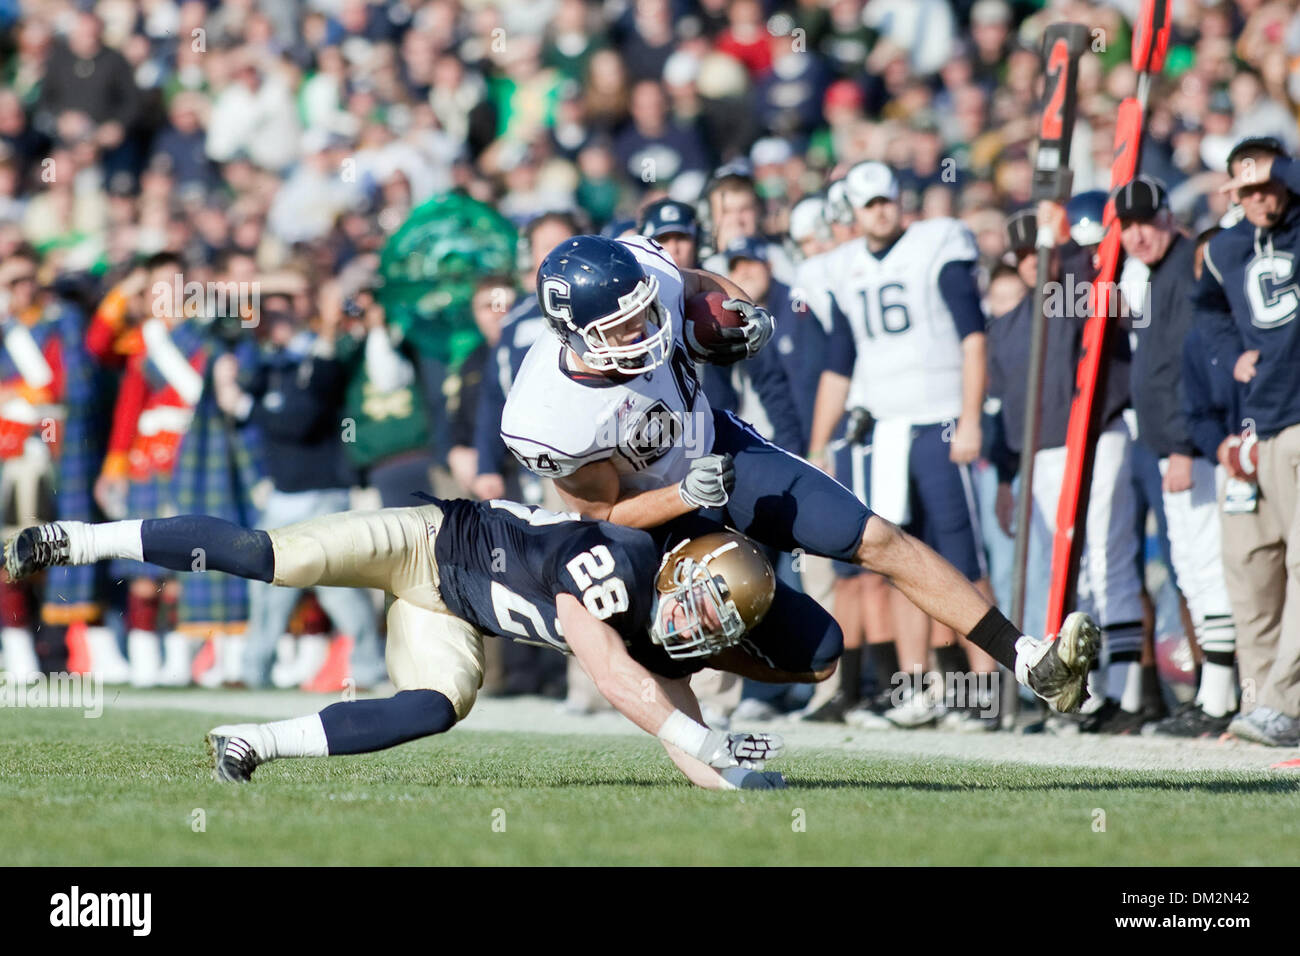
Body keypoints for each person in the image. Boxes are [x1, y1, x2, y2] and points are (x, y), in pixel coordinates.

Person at [499, 231, 1101, 718]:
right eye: (624, 329)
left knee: (878, 537)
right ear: (574, 333)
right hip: (655, 512)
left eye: (645, 314)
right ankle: (666, 647)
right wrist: (683, 494)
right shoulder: (551, 416)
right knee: (818, 656)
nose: (649, 331)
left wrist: (741, 310)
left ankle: (1032, 663)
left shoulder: (639, 269)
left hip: (720, 446)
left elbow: (697, 285)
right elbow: (601, 514)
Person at [5, 500, 787, 791]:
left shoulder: (659, 627)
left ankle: (250, 741)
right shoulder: (618, 563)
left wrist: (737, 780)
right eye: (704, 606)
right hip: (426, 541)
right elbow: (616, 677)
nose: (700, 629)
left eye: (720, 622)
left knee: (438, 705)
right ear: (684, 572)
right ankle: (75, 538)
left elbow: (671, 720)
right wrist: (705, 739)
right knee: (274, 556)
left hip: (449, 609)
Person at [805, 161, 998, 730]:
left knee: (964, 559)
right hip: (885, 432)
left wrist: (969, 419)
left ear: (899, 201)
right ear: (855, 212)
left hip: (938, 421)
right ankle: (918, 687)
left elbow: (973, 338)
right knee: (899, 563)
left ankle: (986, 688)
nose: (881, 211)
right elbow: (839, 365)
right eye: (869, 205)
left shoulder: (935, 244)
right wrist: (819, 444)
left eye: (887, 200)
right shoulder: (843, 269)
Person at [1115, 177, 1239, 736]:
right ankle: (1213, 697)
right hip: (1170, 444)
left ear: (1169, 217)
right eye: (1129, 225)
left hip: (1195, 446)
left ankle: (1220, 701)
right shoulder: (1155, 272)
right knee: (1189, 570)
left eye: (1147, 221)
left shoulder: (1189, 263)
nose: (1138, 234)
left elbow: (1193, 368)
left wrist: (1186, 446)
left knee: (1208, 568)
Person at [1192, 136, 1300, 745]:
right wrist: (1230, 355)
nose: (1262, 200)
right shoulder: (1225, 248)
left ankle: (1284, 704)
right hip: (1259, 426)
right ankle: (1263, 708)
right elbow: (1204, 312)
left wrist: (1281, 166)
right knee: (1253, 576)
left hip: (1298, 421)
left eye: (1269, 184)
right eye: (1248, 189)